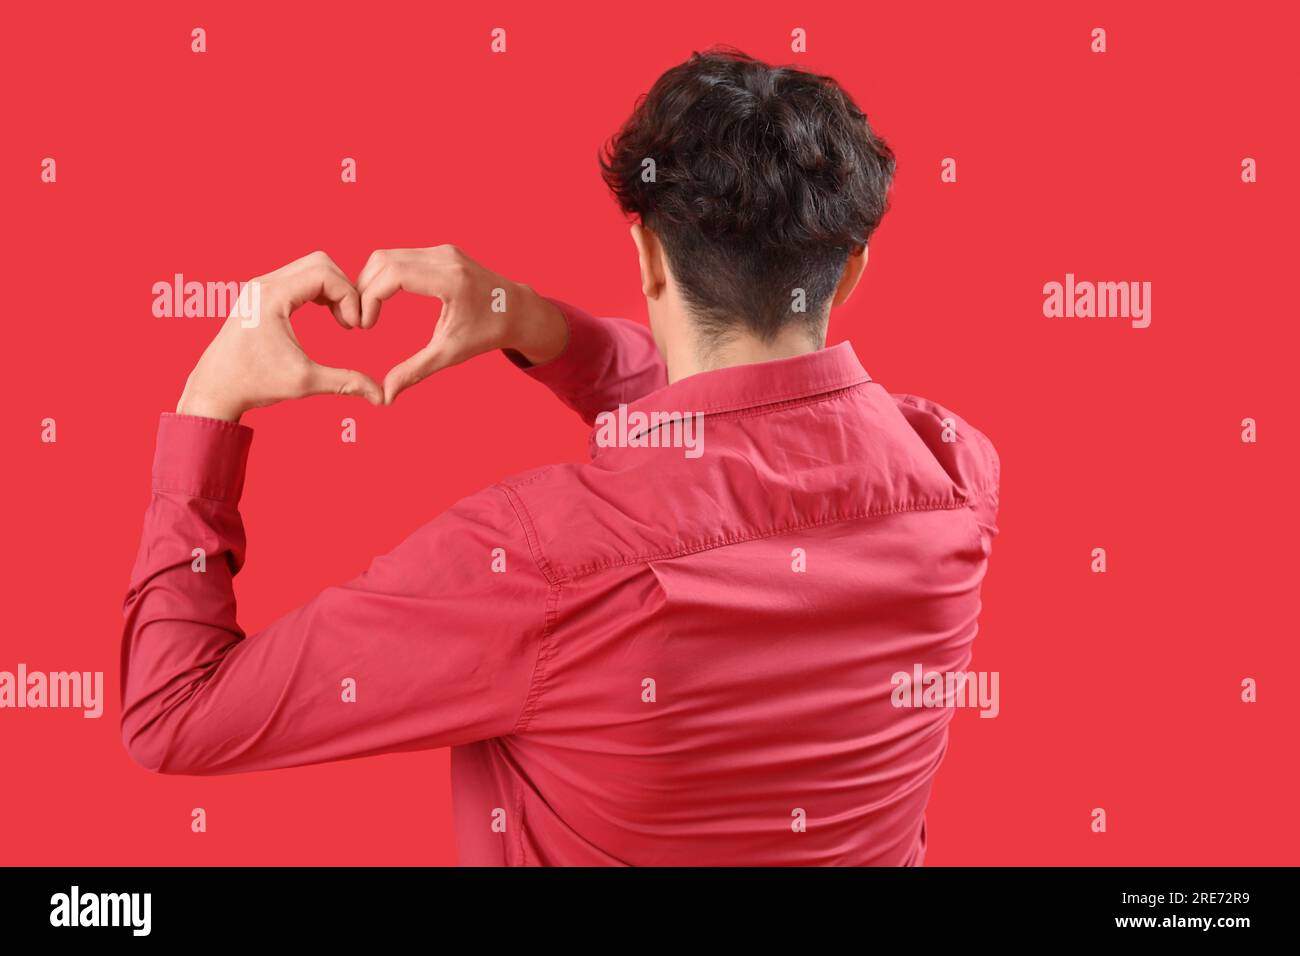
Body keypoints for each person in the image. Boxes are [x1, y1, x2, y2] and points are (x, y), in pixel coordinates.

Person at [121, 48, 999, 865]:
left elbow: (173, 714)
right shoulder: (955, 474)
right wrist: (536, 324)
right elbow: (742, 435)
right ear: (849, 272)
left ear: (649, 256)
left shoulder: (536, 560)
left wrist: (210, 404)